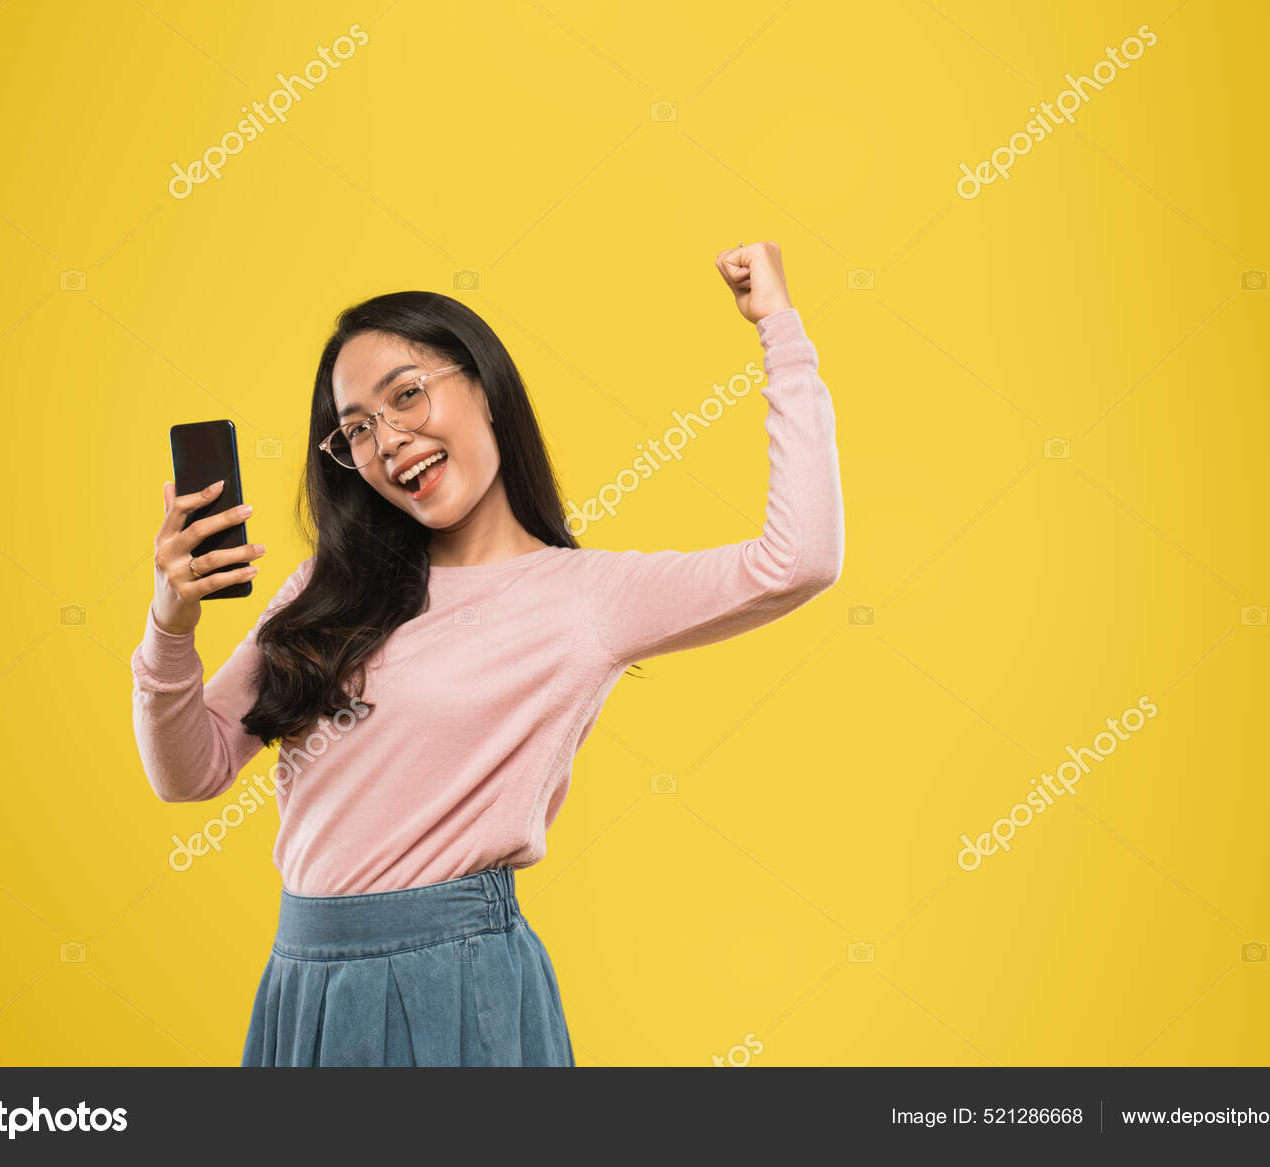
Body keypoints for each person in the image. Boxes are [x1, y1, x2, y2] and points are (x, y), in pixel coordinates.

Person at [130, 241, 844, 1066]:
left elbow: (799, 560)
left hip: (455, 983)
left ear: (487, 387)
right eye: (355, 430)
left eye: (407, 396)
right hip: (303, 985)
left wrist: (781, 334)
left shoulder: (584, 597)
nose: (388, 439)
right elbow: (188, 773)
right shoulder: (328, 588)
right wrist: (171, 621)